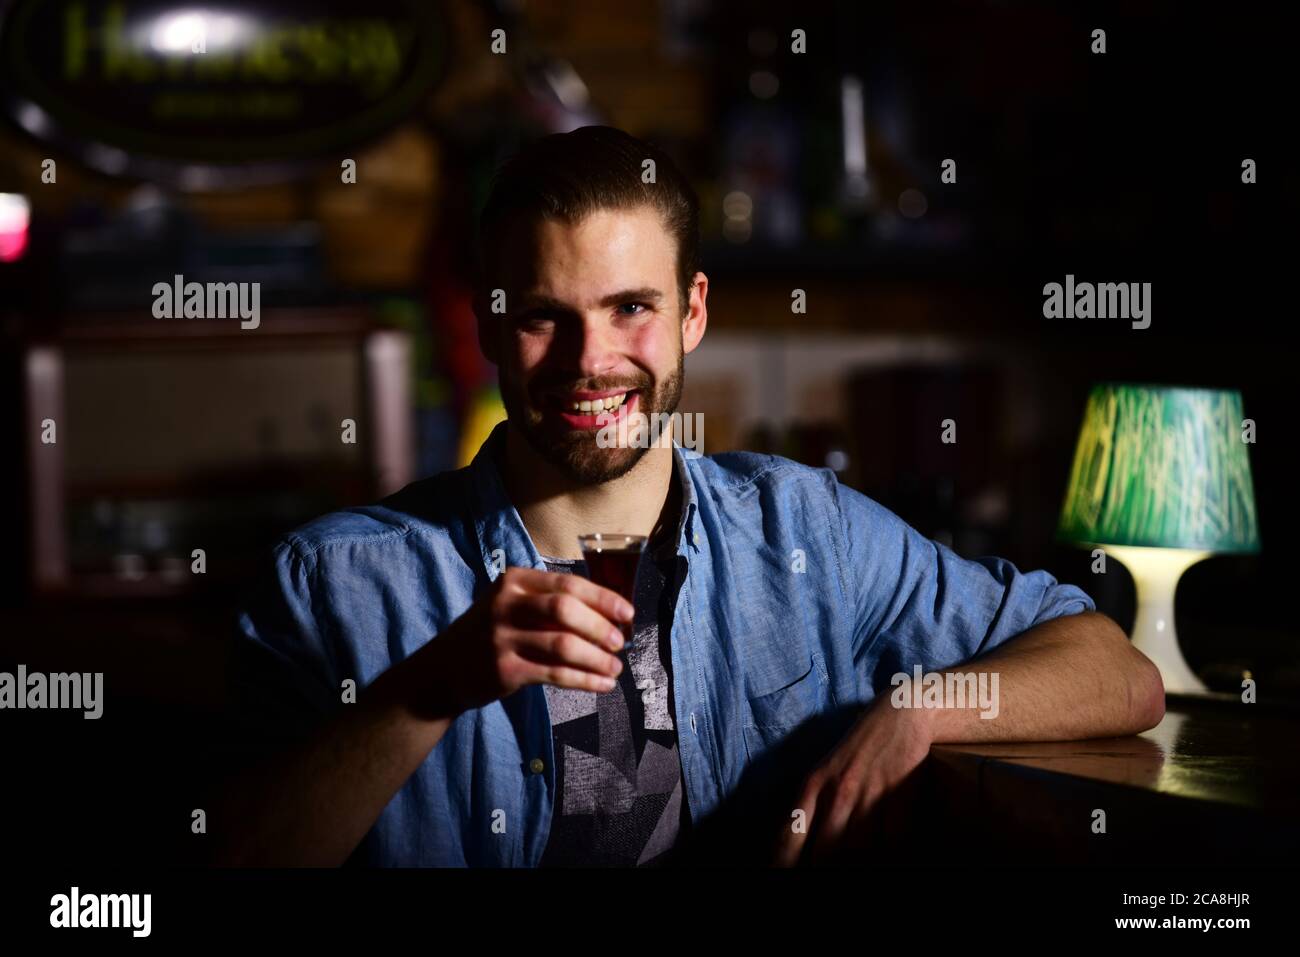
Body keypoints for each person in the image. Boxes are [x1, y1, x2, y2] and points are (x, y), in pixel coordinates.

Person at [213, 126, 1164, 868]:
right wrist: (429, 689)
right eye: (547, 316)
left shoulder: (806, 531)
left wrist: (921, 704)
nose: (592, 363)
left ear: (693, 313)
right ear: (493, 326)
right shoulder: (336, 581)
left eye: (632, 307)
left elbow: (1119, 671)